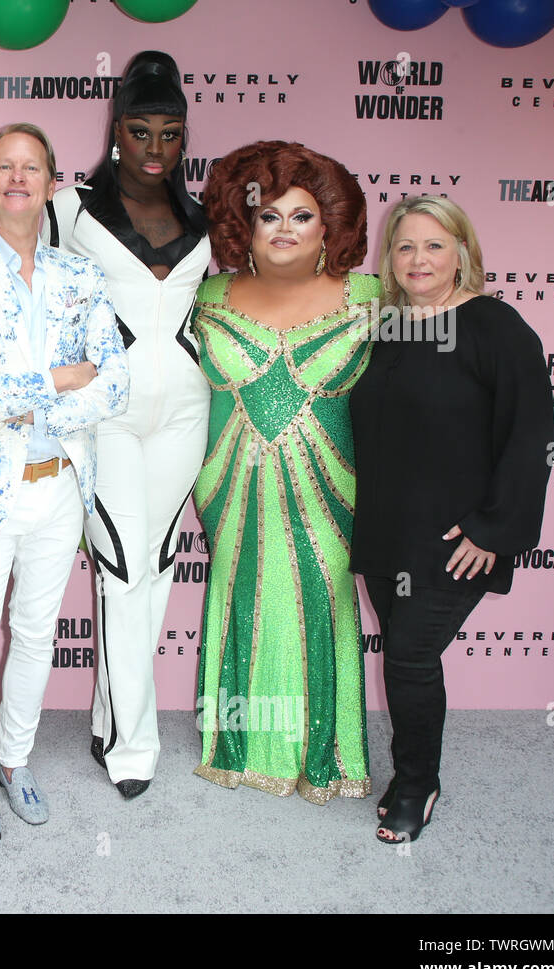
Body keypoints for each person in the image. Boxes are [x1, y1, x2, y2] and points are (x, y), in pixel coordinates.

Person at [0, 124, 129, 891]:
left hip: (60, 487)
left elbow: (115, 384)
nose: (17, 177)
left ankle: (15, 760)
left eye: (31, 166)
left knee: (36, 634)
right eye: (3, 166)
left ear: (50, 182)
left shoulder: (83, 276)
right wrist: (58, 378)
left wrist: (15, 386)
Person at [350, 196, 554, 844]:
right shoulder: (386, 328)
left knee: (410, 655)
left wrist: (494, 529)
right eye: (405, 246)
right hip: (386, 531)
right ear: (390, 257)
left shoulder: (496, 326)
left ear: (463, 253)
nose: (419, 259)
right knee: (402, 654)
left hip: (453, 538)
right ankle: (411, 771)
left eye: (435, 245)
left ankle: (418, 784)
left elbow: (530, 436)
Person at [192, 141, 378, 803]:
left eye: (302, 216)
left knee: (321, 597)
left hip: (331, 485)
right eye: (269, 216)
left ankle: (324, 755)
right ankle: (239, 748)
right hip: (228, 482)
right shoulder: (206, 295)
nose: (285, 230)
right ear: (244, 225)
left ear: (330, 224)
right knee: (241, 594)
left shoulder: (370, 297)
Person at [49, 51, 210, 799]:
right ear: (116, 130)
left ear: (184, 138)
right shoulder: (69, 209)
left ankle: (112, 717)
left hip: (184, 408)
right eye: (140, 131)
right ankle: (132, 744)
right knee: (119, 566)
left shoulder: (206, 219)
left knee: (157, 563)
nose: (154, 148)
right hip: (104, 411)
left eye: (169, 134)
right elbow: (15, 281)